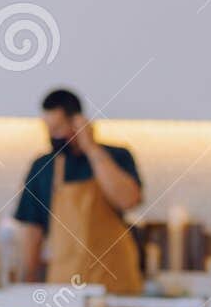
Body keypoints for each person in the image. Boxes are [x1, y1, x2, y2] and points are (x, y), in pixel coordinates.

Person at [14, 88, 144, 293]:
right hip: (63, 289)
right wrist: (27, 285)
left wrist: (90, 147)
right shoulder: (42, 167)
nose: (53, 136)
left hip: (114, 285)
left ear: (78, 122)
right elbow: (32, 231)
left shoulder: (116, 156)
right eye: (49, 129)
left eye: (58, 128)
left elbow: (128, 200)